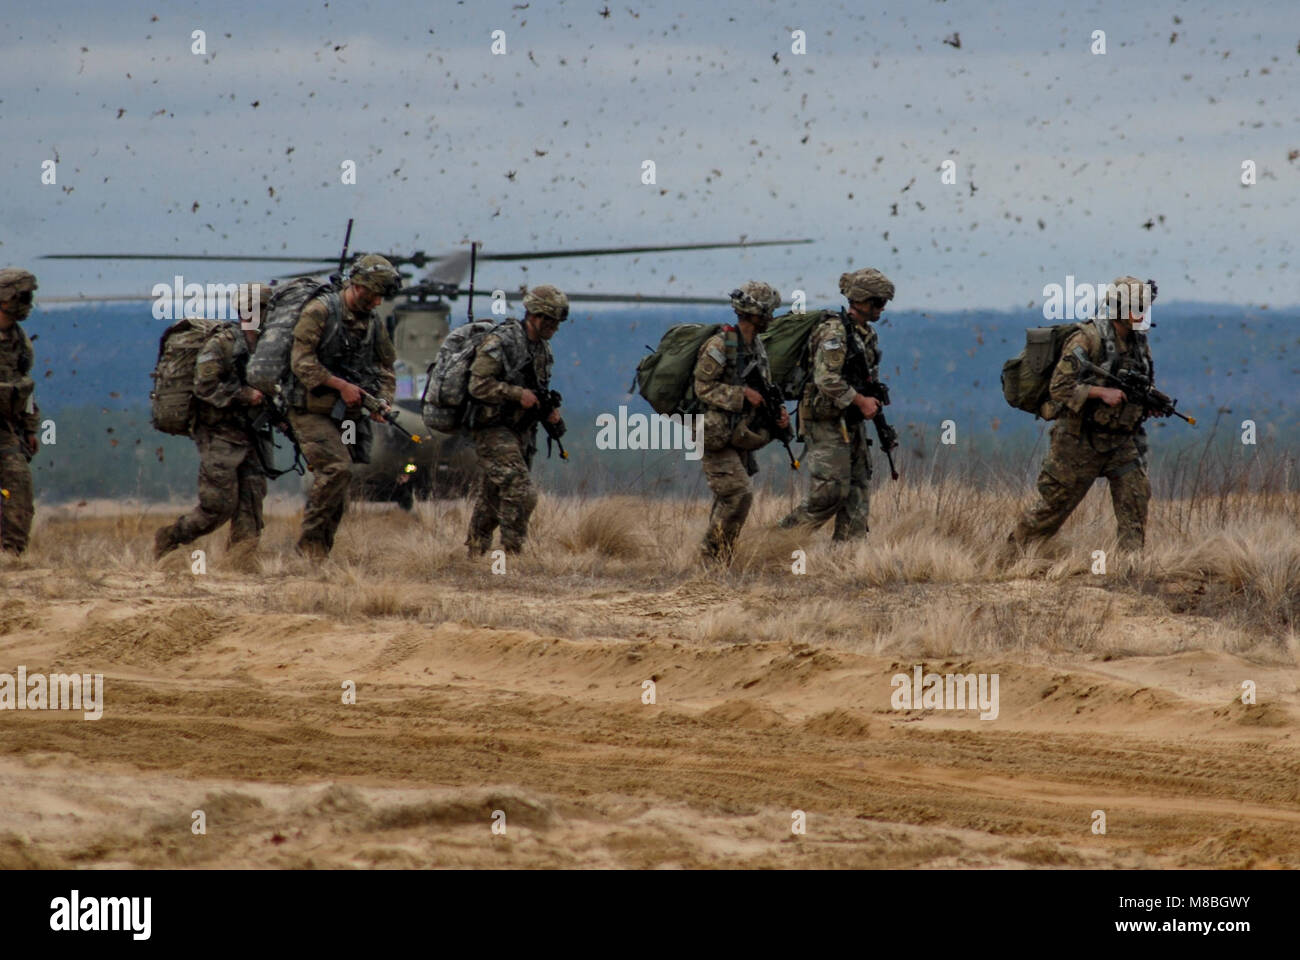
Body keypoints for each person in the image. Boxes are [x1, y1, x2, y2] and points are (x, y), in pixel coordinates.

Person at [1009, 276, 1158, 553]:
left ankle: (1131, 574)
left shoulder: (1139, 344)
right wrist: (1100, 393)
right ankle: (1006, 562)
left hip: (1121, 442)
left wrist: (1147, 403)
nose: (1142, 314)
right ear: (1119, 308)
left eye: (1144, 307)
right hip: (1078, 442)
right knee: (1049, 512)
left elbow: (1144, 382)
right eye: (1137, 307)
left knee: (1135, 506)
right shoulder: (1087, 338)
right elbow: (1059, 387)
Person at [288, 254, 400, 557]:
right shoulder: (320, 312)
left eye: (382, 296)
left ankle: (318, 554)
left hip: (348, 416)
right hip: (311, 409)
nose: (378, 302)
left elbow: (386, 366)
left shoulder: (373, 323)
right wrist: (341, 385)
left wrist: (382, 402)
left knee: (342, 481)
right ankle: (306, 548)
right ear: (358, 285)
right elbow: (301, 362)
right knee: (336, 469)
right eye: (374, 294)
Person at [154, 285, 272, 560]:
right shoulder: (222, 344)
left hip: (252, 433)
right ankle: (171, 536)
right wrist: (245, 395)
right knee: (218, 506)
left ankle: (242, 563)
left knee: (251, 502)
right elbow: (204, 386)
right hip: (220, 434)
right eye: (258, 309)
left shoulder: (267, 349)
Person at [779, 268, 895, 541]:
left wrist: (870, 402)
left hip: (850, 421)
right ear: (862, 301)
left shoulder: (865, 335)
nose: (882, 308)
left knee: (857, 489)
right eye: (878, 302)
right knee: (829, 494)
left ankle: (848, 556)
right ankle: (773, 543)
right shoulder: (835, 332)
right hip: (826, 421)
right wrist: (861, 400)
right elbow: (825, 378)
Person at [464, 284, 568, 556]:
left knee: (492, 498)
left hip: (522, 431)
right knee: (521, 492)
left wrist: (548, 412)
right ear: (534, 315)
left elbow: (537, 389)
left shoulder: (543, 350)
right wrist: (515, 394)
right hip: (492, 427)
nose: (554, 327)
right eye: (550, 320)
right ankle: (511, 554)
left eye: (557, 322)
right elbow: (477, 385)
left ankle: (475, 553)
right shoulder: (502, 342)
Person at [693, 281, 787, 564]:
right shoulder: (720, 345)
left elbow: (765, 386)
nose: (771, 317)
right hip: (715, 434)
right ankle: (710, 559)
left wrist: (777, 411)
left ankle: (720, 561)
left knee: (729, 498)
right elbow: (702, 386)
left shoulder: (756, 346)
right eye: (768, 312)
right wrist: (740, 394)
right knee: (739, 495)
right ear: (754, 313)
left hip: (739, 434)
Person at [0, 268, 40, 556]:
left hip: (6, 428)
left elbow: (26, 388)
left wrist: (29, 429)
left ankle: (10, 556)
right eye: (22, 296)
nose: (27, 303)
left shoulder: (19, 340)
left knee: (19, 486)